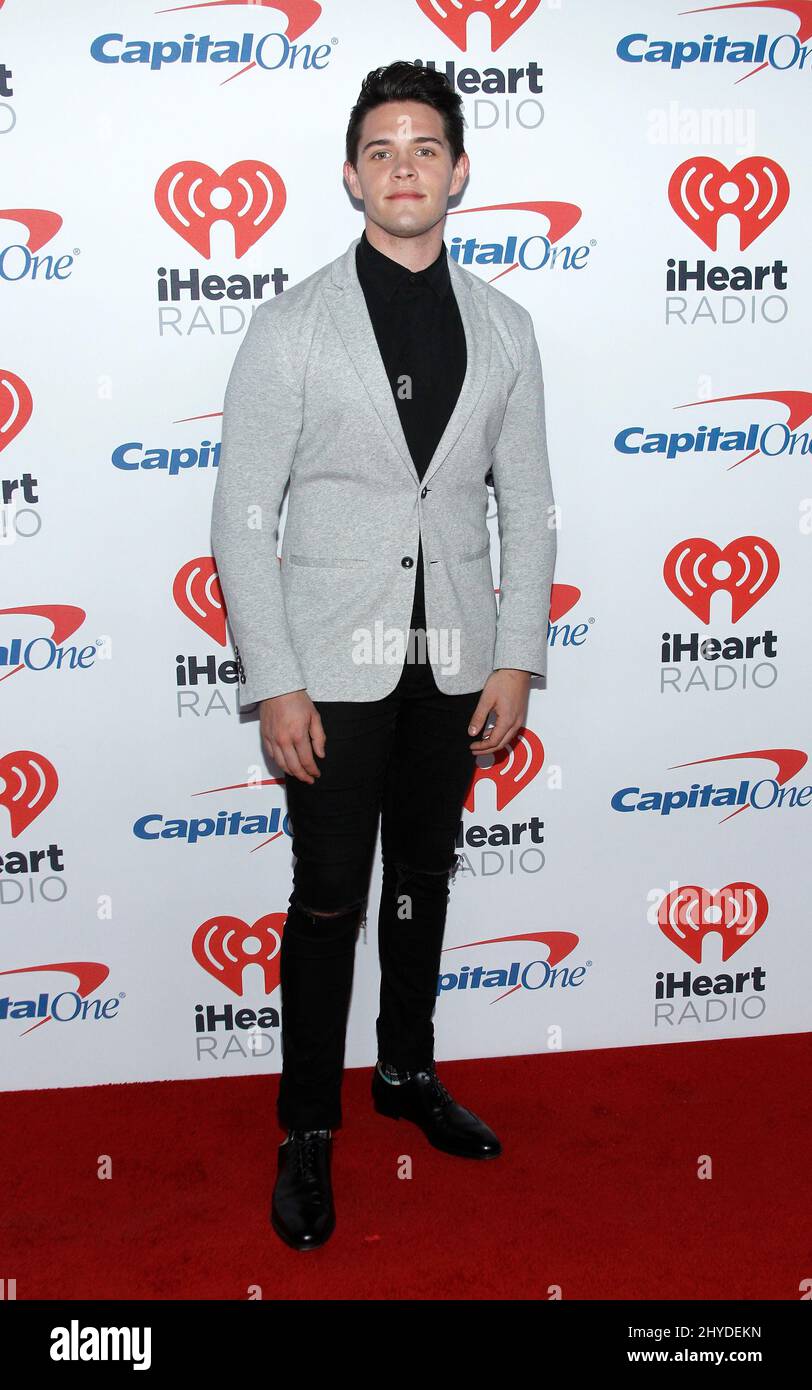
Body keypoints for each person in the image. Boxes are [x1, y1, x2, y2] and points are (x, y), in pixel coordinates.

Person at [211, 60, 557, 1251]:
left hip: (454, 660)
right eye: (380, 149)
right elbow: (241, 517)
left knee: (422, 880)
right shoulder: (290, 324)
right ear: (350, 173)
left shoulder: (507, 327)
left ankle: (403, 1074)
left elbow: (530, 502)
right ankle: (306, 1128)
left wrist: (515, 656)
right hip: (330, 668)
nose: (402, 167)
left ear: (458, 172)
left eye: (424, 148)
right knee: (323, 903)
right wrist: (274, 677)